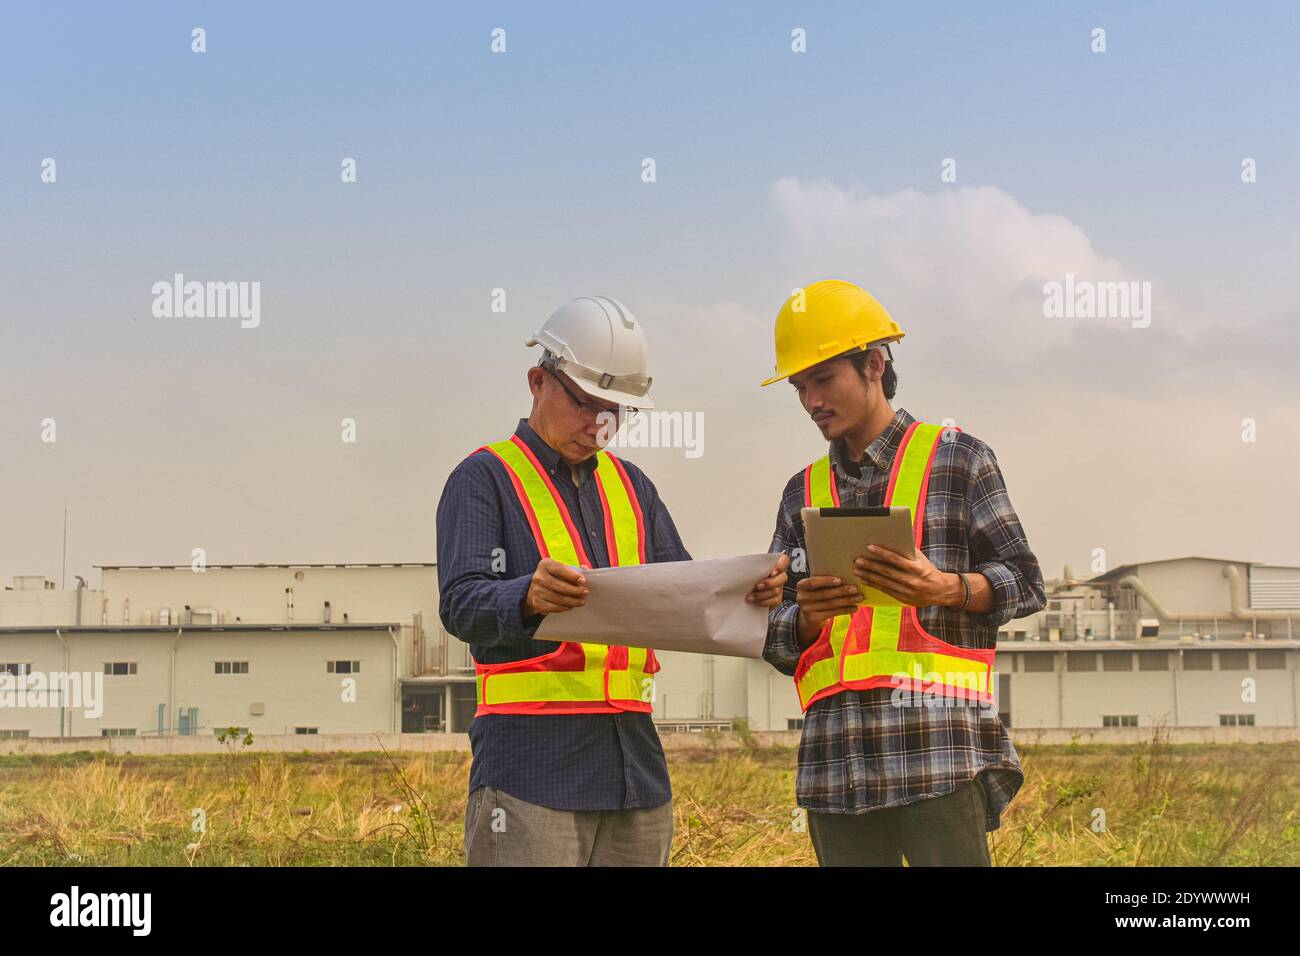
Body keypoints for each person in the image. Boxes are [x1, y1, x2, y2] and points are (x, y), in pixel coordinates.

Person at [437, 294, 788, 866]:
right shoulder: (484, 479)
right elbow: (460, 604)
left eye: (617, 411)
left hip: (635, 773)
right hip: (531, 770)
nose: (601, 424)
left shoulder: (633, 489)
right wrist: (525, 595)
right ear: (537, 380)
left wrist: (751, 593)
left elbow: (688, 593)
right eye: (587, 403)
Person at [759, 279, 1046, 866]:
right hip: (835, 773)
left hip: (936, 759)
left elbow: (1025, 581)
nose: (811, 401)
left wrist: (948, 586)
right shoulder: (801, 493)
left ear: (873, 364)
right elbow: (773, 635)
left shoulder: (958, 459)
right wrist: (803, 616)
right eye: (799, 387)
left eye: (822, 380)